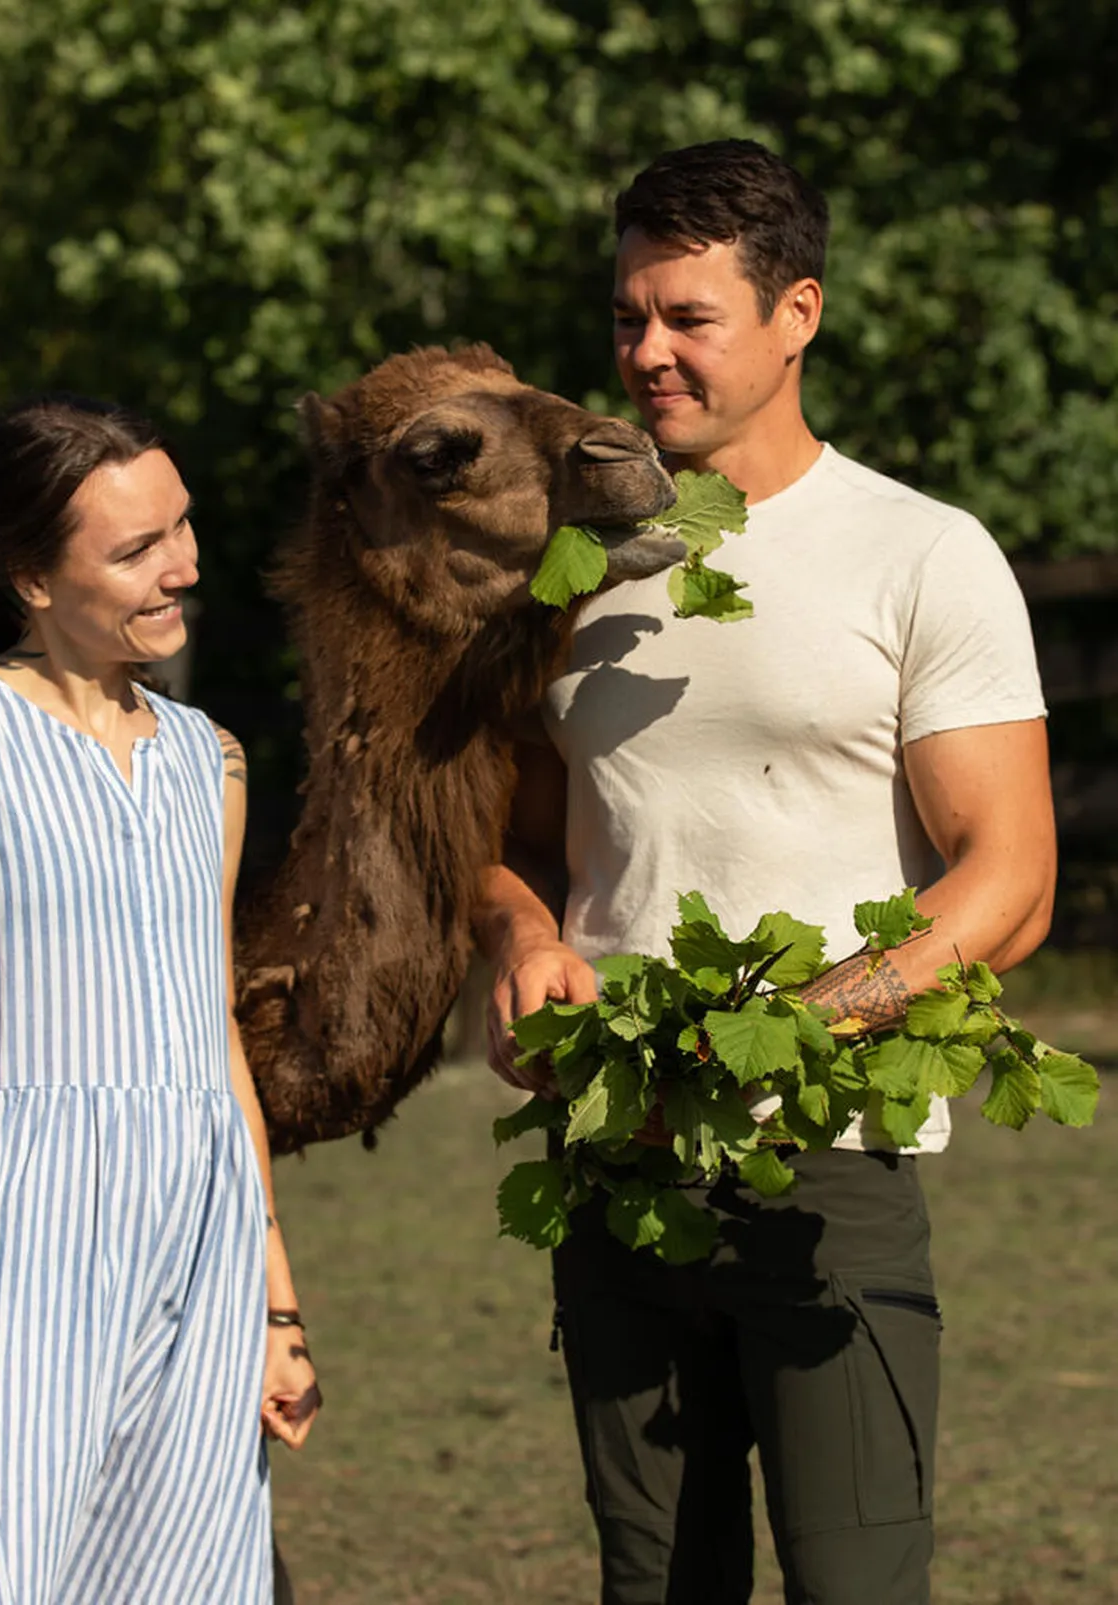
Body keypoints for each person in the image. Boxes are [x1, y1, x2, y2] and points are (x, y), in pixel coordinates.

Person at [476, 140, 1054, 1605]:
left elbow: (1007, 876)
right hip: (614, 1165)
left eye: (687, 317)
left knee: (858, 1583)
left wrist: (806, 1030)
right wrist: (519, 939)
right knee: (654, 1585)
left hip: (828, 1165)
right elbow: (508, 839)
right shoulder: (569, 569)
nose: (646, 353)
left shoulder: (918, 553)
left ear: (796, 312)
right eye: (626, 317)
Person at [0, 395, 320, 1604]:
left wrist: (273, 1308)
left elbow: (213, 1057)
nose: (183, 565)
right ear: (33, 577)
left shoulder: (215, 762)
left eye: (181, 528)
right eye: (136, 549)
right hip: (0, 1257)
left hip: (190, 1260)